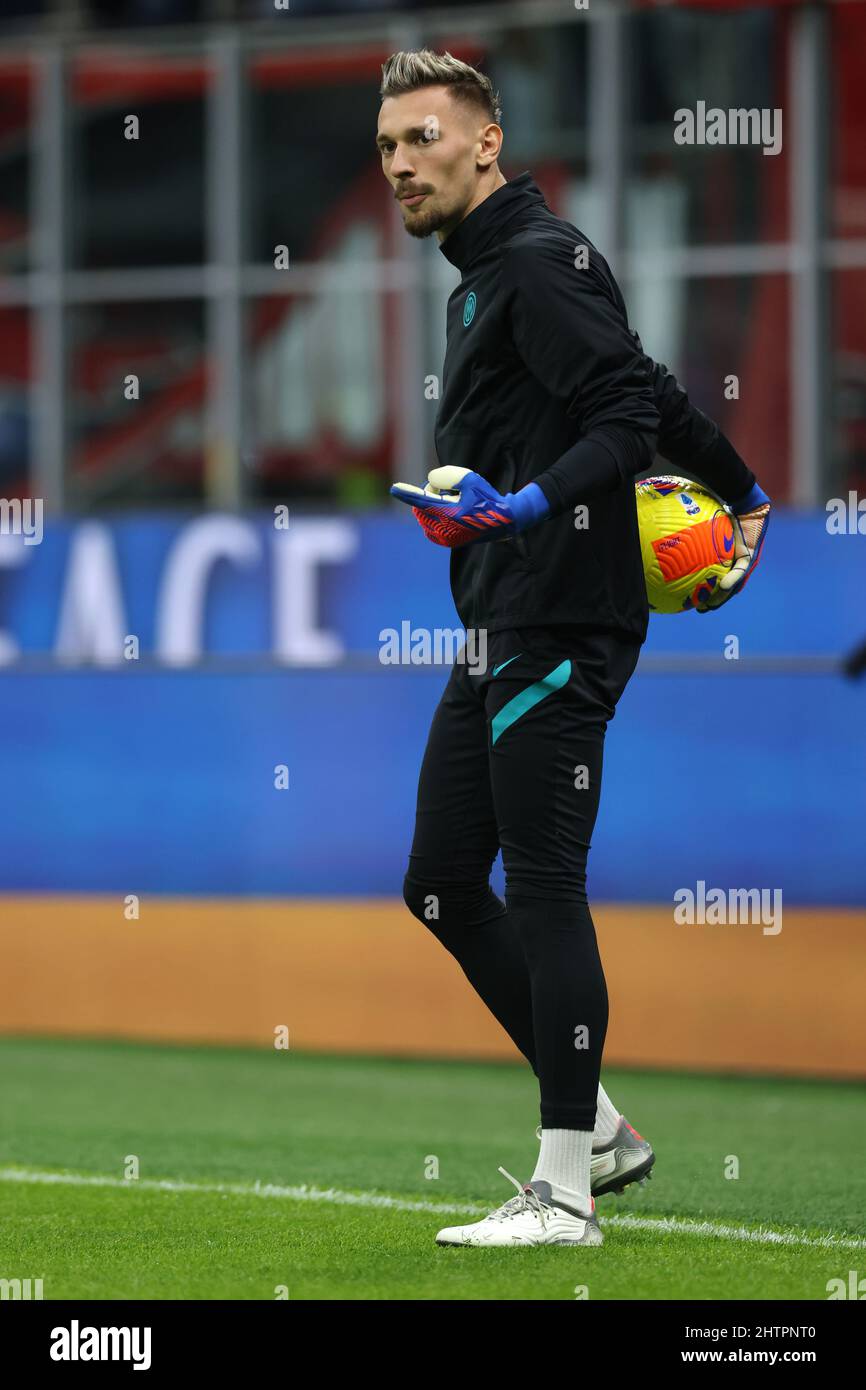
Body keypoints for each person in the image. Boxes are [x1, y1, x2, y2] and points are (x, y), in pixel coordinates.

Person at [378, 49, 770, 1248]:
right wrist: (743, 488)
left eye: (423, 139)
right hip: (504, 610)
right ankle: (595, 1127)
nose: (401, 165)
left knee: (543, 884)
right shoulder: (492, 274)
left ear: (485, 142)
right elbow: (646, 382)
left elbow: (614, 417)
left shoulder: (536, 263)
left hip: (558, 609)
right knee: (441, 880)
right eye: (387, 147)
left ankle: (561, 1193)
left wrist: (529, 506)